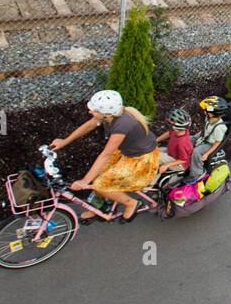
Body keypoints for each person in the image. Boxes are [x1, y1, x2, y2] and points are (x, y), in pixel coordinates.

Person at [51, 90, 159, 222]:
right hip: (128, 152)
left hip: (141, 160)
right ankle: (100, 207)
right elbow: (90, 125)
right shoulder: (110, 115)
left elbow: (106, 155)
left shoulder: (122, 125)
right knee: (97, 175)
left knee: (100, 185)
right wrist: (64, 141)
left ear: (107, 113)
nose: (90, 112)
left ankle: (131, 203)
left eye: (94, 110)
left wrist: (84, 181)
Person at [186, 95, 231, 182]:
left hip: (211, 143)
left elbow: (218, 142)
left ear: (211, 113)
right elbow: (205, 129)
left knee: (197, 152)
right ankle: (185, 161)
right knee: (187, 139)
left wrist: (207, 154)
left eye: (206, 111)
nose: (204, 112)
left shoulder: (219, 128)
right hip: (204, 137)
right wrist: (196, 137)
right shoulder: (209, 118)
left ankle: (197, 173)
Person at [156, 108, 193, 173]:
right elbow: (169, 133)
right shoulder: (180, 131)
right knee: (151, 151)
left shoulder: (182, 143)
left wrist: (166, 165)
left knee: (154, 157)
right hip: (172, 153)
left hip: (179, 164)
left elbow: (184, 160)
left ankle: (152, 181)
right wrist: (156, 140)